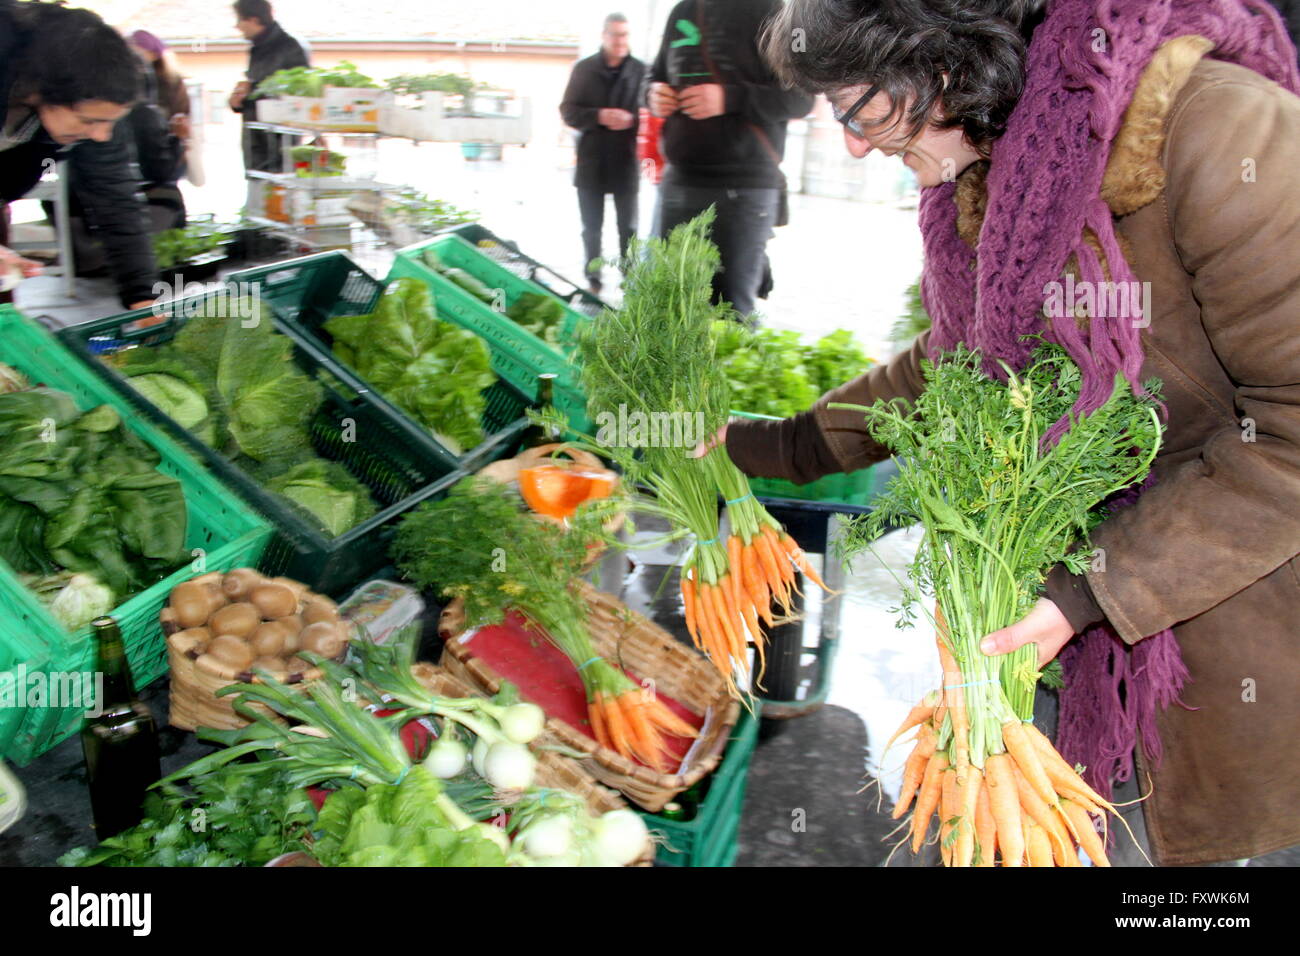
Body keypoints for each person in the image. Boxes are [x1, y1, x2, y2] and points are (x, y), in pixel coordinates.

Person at [712, 0, 1300, 866]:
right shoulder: (1006, 161)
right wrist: (771, 445)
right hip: (1053, 615)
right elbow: (958, 359)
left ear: (937, 59)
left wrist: (1088, 593)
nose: (855, 145)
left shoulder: (1219, 131)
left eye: (855, 107)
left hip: (1207, 633)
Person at [646, 0, 813, 318]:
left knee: (730, 313)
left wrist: (729, 98)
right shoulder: (682, 10)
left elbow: (801, 98)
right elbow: (654, 76)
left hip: (743, 187)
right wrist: (652, 94)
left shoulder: (778, 12)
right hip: (678, 181)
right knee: (663, 306)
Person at [0, 0, 157, 309]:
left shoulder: (94, 91)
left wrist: (142, 297)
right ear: (36, 90)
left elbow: (114, 195)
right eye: (89, 121)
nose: (101, 135)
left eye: (110, 123)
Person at [560, 13, 647, 294]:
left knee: (629, 226)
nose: (620, 41)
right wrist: (599, 116)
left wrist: (632, 120)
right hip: (591, 160)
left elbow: (653, 114)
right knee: (591, 227)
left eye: (624, 35)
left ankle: (630, 275)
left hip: (626, 160)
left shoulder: (642, 71)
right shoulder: (584, 69)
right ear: (604, 36)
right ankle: (593, 278)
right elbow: (568, 111)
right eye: (615, 34)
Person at [229, 0, 308, 173]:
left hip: (279, 150)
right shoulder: (257, 49)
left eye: (239, 20)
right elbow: (256, 92)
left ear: (254, 20)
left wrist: (252, 89)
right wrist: (238, 100)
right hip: (256, 147)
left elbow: (299, 93)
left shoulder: (290, 47)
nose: (237, 26)